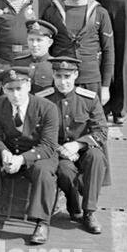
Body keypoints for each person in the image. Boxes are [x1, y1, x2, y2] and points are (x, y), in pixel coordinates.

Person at [0, 66, 59, 245]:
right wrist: (3, 152)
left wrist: (22, 159)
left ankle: (42, 222)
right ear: (3, 89)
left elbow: (48, 145)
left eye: (19, 89)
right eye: (10, 89)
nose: (15, 94)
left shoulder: (47, 108)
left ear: (29, 86)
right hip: (9, 152)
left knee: (44, 171)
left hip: (38, 155)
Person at [34, 57, 110, 234]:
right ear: (53, 75)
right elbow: (37, 133)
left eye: (67, 76)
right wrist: (63, 150)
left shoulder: (89, 99)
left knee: (97, 156)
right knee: (65, 171)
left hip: (82, 151)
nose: (63, 81)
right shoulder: (43, 100)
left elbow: (101, 131)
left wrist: (78, 145)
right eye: (58, 76)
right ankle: (73, 202)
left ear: (76, 75)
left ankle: (89, 212)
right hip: (56, 152)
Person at [42, 0, 114, 102]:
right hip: (61, 77)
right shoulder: (53, 12)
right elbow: (47, 47)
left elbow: (108, 50)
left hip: (90, 77)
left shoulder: (100, 13)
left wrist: (105, 86)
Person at [18, 20, 58, 91]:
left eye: (39, 40)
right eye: (31, 40)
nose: (34, 44)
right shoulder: (18, 63)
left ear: (49, 42)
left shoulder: (55, 66)